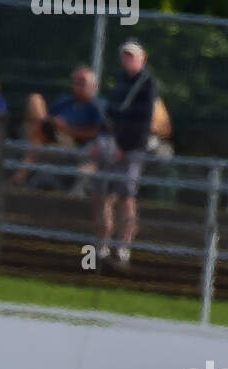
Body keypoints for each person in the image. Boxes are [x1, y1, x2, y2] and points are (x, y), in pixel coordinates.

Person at [92, 41, 157, 268]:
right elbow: (110, 115)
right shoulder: (120, 81)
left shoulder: (147, 84)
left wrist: (124, 147)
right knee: (102, 194)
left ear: (142, 58)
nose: (128, 60)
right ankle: (102, 244)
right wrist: (104, 141)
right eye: (125, 56)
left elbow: (142, 124)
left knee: (126, 196)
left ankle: (123, 246)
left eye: (132, 56)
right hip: (112, 144)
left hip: (131, 149)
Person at [15, 65, 103, 187]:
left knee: (37, 136)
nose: (77, 85)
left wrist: (67, 128)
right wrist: (54, 122)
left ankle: (20, 176)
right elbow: (47, 118)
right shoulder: (65, 101)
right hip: (51, 136)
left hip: (76, 144)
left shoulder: (96, 106)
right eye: (75, 81)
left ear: (93, 85)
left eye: (82, 82)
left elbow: (96, 132)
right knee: (35, 100)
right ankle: (21, 173)